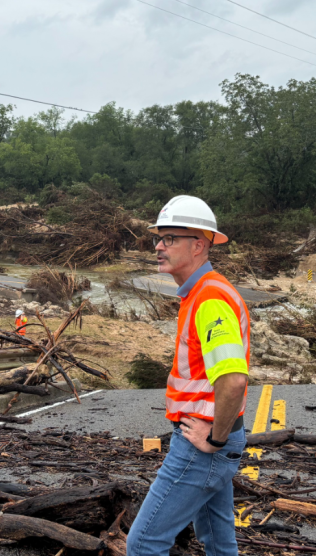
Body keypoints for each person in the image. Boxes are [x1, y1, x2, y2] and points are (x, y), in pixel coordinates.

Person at [127, 195, 250, 556]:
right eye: (157, 239)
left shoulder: (210, 299)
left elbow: (233, 380)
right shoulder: (198, 292)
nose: (159, 247)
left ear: (199, 245)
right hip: (208, 438)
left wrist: (215, 440)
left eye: (170, 239)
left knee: (145, 543)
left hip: (202, 443)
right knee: (216, 538)